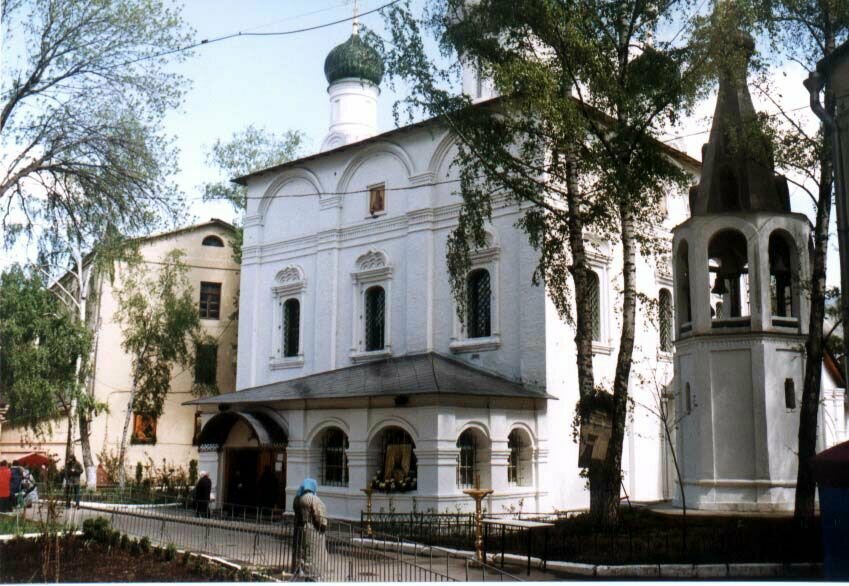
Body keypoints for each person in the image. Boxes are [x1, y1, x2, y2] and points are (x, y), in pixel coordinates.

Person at [291, 478, 328, 581]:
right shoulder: (313, 499)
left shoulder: (297, 498)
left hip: (299, 528)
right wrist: (323, 525)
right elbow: (320, 517)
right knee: (312, 553)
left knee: (301, 552)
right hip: (312, 530)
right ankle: (312, 575)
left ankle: (299, 571)